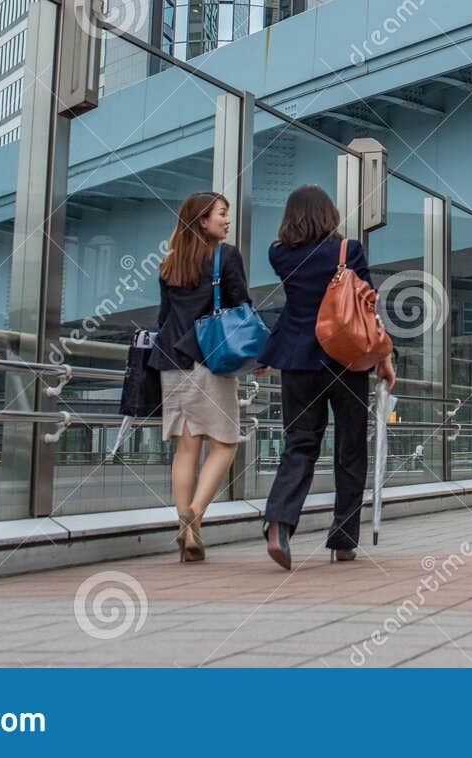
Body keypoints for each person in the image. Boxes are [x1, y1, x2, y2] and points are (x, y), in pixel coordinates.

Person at [258, 184, 395, 569]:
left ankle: (279, 521)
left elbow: (296, 305)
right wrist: (384, 357)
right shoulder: (347, 250)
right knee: (351, 447)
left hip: (297, 361)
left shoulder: (278, 254)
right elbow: (368, 307)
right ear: (329, 214)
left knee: (299, 444)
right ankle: (343, 540)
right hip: (345, 359)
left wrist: (269, 352)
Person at [150, 191, 249, 563]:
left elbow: (162, 318)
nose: (227, 220)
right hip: (209, 359)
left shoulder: (169, 262)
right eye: (222, 214)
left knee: (186, 448)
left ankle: (183, 522)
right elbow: (241, 305)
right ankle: (195, 514)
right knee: (225, 444)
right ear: (202, 220)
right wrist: (258, 353)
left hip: (170, 362)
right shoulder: (226, 256)